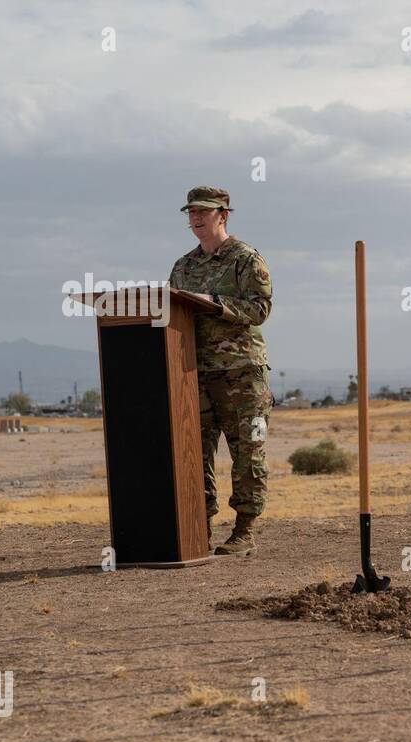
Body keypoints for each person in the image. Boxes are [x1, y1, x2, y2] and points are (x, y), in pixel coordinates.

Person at [168, 186, 273, 556]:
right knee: (194, 452)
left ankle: (245, 530)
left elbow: (260, 309)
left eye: (204, 212)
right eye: (191, 213)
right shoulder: (183, 266)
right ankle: (199, 526)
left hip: (242, 374)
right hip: (193, 373)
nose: (196, 219)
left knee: (248, 452)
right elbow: (172, 314)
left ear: (223, 215)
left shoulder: (245, 258)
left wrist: (215, 304)